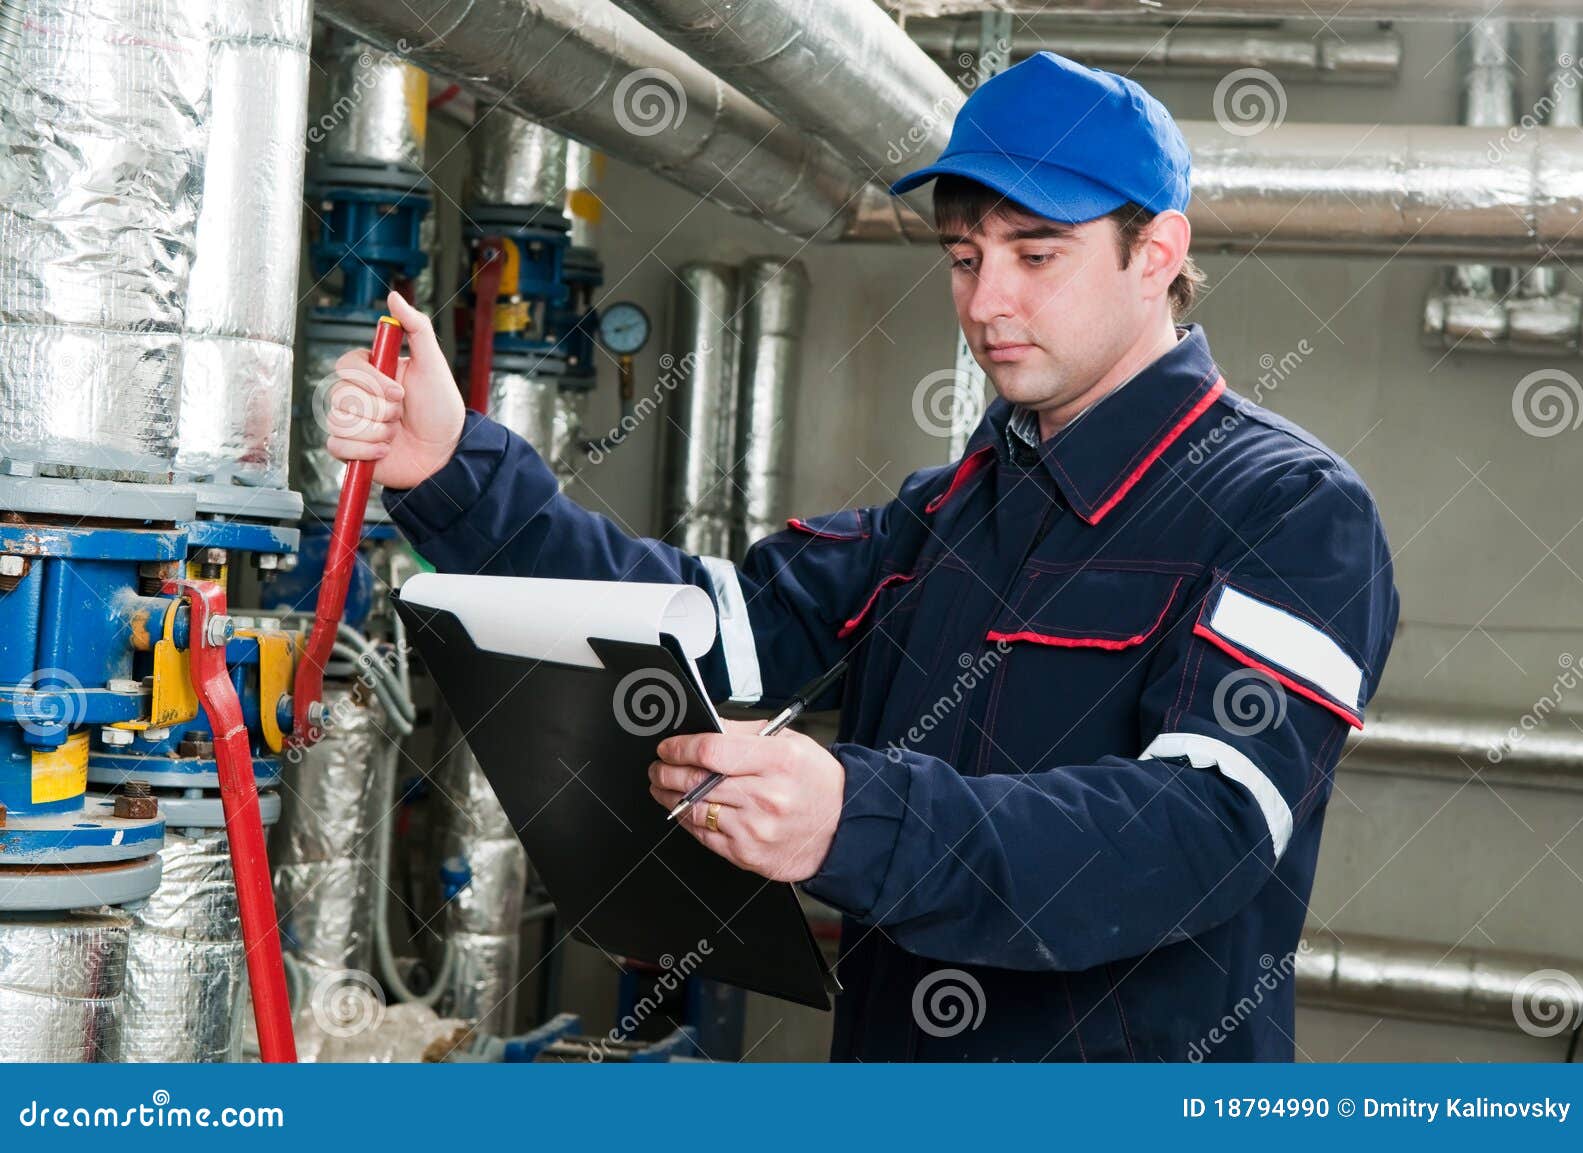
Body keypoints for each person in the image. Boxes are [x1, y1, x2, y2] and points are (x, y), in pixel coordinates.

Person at [325, 53, 1399, 1061]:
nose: (986, 305)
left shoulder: (1289, 510)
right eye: (964, 259)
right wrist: (453, 469)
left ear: (1156, 253)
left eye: (1035, 256)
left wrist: (856, 816)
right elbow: (702, 629)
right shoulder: (943, 516)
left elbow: (1196, 831)